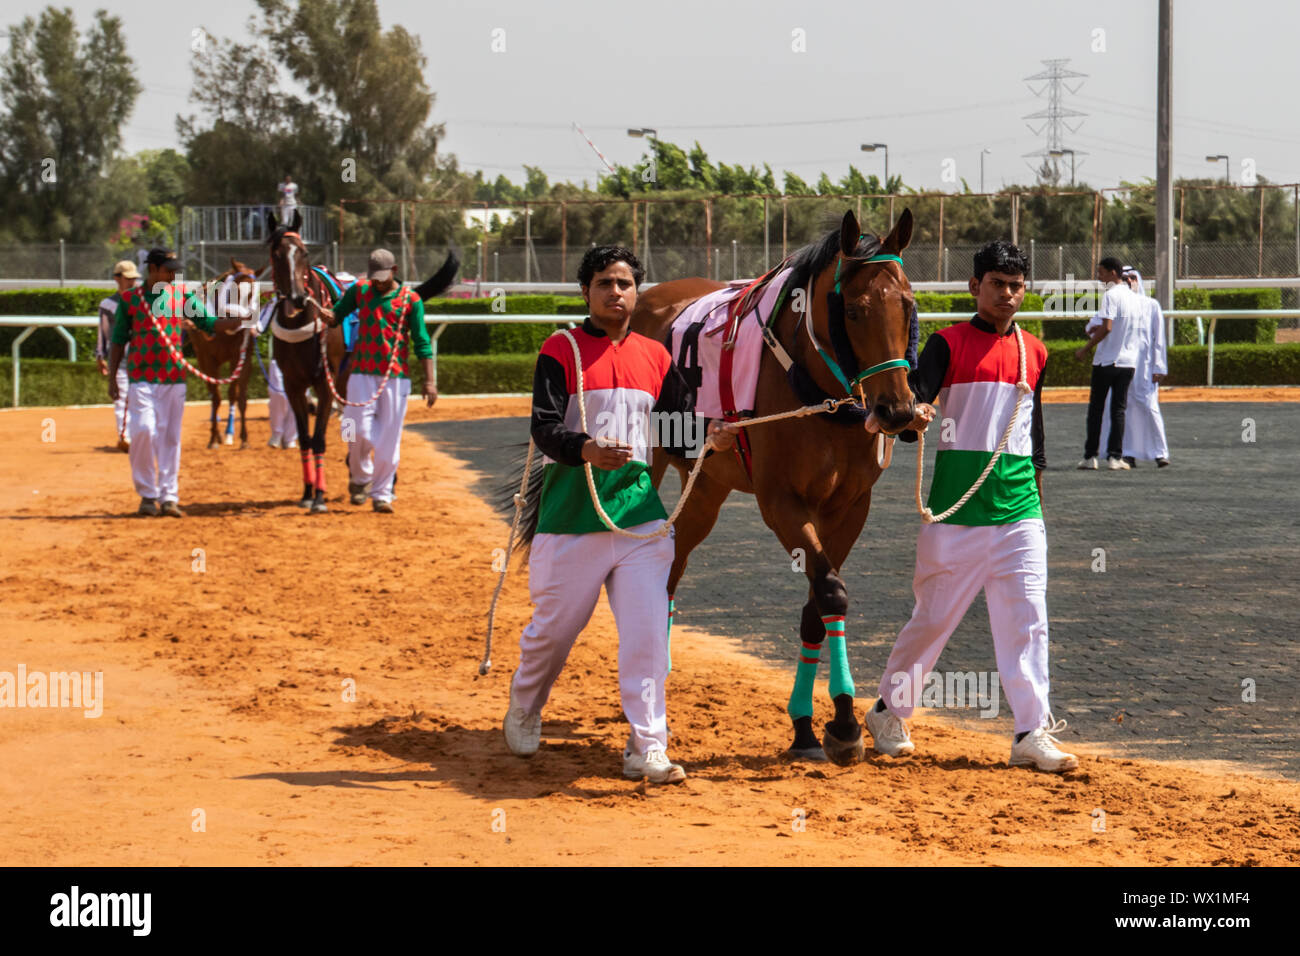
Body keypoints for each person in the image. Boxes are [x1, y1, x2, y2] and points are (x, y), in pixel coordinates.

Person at [502, 245, 737, 784]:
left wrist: (712, 437)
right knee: (553, 634)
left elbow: (678, 428)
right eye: (605, 283)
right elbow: (543, 426)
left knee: (648, 637)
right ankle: (525, 705)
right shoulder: (560, 349)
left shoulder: (657, 358)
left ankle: (647, 747)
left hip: (640, 521)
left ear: (637, 291)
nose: (616, 292)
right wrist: (584, 448)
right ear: (585, 291)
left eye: (626, 283)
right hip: (570, 518)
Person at [866, 240, 1078, 773]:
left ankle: (1032, 731)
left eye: (1016, 286)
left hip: (1019, 513)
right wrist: (911, 417)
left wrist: (1039, 493)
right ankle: (889, 711)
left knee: (1029, 623)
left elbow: (1037, 431)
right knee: (933, 621)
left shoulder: (1036, 351)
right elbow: (913, 406)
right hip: (955, 516)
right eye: (997, 284)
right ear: (974, 287)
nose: (1007, 295)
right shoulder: (945, 344)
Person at [107, 249, 243, 517]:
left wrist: (239, 322)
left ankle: (169, 497)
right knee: (143, 431)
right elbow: (118, 341)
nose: (173, 275)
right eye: (168, 270)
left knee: (170, 438)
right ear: (154, 269)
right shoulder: (130, 301)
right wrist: (112, 378)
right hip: (141, 378)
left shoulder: (181, 296)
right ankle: (147, 494)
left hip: (173, 378)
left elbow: (209, 323)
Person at [317, 251, 435, 512]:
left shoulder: (411, 300)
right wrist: (329, 316)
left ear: (394, 270)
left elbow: (422, 341)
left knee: (388, 440)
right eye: (375, 279)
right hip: (360, 373)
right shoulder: (359, 290)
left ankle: (382, 493)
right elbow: (338, 313)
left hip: (396, 378)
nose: (378, 283)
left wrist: (429, 381)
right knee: (353, 428)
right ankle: (359, 477)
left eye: (383, 278)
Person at [1089, 269, 1170, 468]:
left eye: (1133, 278)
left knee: (1148, 406)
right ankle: (1127, 452)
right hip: (1121, 364)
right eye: (1126, 278)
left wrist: (1159, 366)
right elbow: (1094, 324)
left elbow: (1158, 338)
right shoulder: (1115, 302)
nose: (1130, 281)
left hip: (1144, 367)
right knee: (1121, 409)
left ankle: (1160, 453)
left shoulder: (1151, 305)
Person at [1076, 256, 1142, 471]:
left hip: (1106, 361)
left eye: (1101, 273)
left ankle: (1090, 456)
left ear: (1113, 273)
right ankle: (1115, 456)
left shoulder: (1111, 295)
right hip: (1127, 361)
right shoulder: (1134, 297)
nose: (1099, 277)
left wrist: (1086, 348)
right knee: (1118, 409)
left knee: (1096, 409)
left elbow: (1107, 327)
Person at [97, 260, 140, 451]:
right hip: (120, 360)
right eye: (128, 278)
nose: (132, 282)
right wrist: (100, 355)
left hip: (142, 359)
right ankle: (125, 437)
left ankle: (138, 436)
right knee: (121, 398)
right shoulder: (107, 304)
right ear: (117, 279)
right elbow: (103, 331)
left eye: (134, 279)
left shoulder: (142, 301)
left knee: (141, 399)